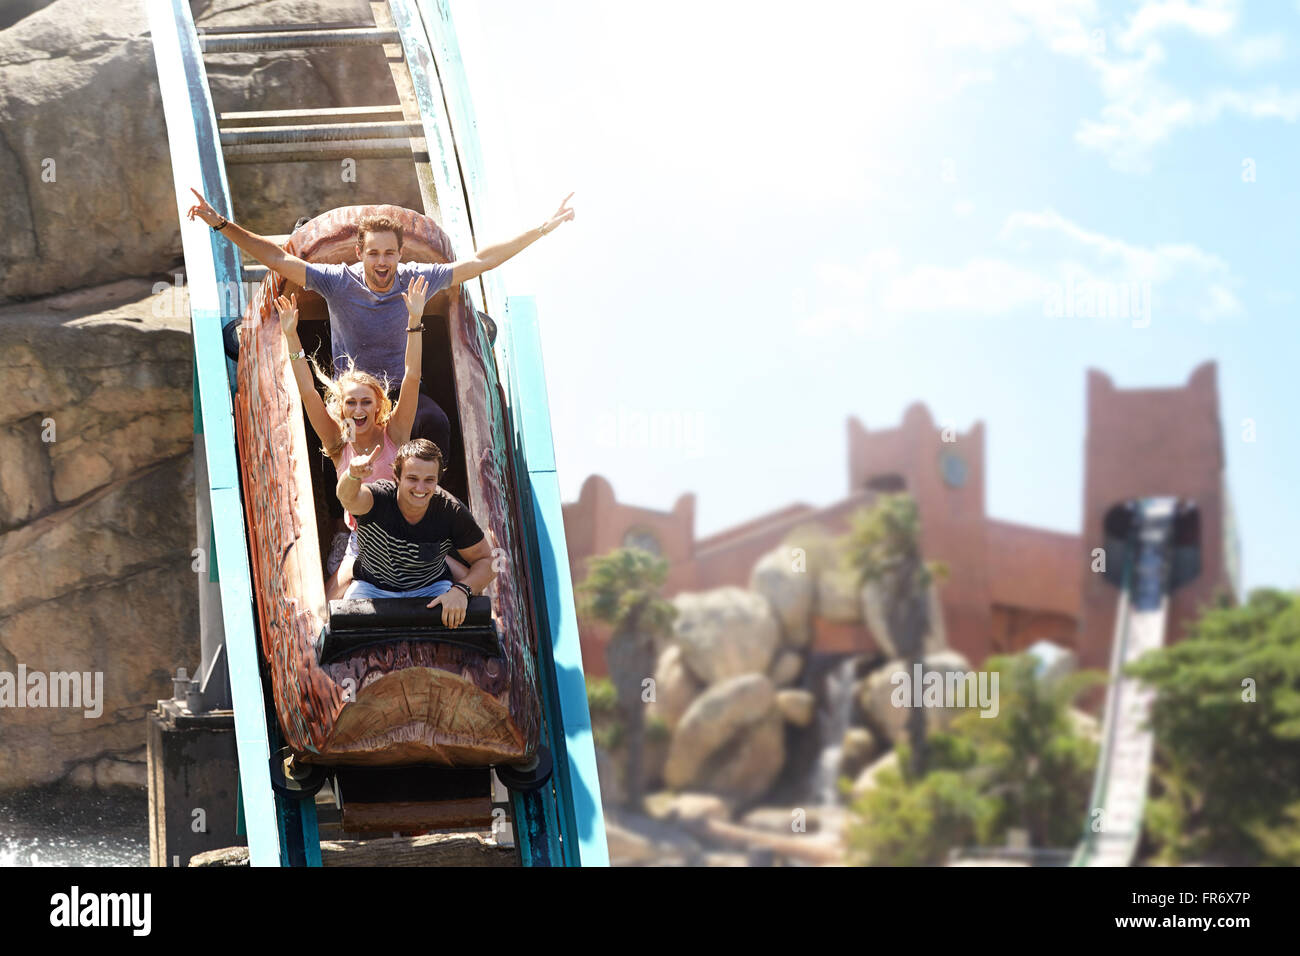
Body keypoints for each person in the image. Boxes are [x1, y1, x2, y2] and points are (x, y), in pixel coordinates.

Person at [184, 188, 576, 460]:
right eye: (374, 253)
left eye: (390, 253)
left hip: (398, 393)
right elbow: (278, 259)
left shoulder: (415, 277)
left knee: (435, 421)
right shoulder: (338, 282)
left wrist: (542, 229)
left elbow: (479, 263)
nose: (382, 262)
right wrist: (219, 223)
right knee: (322, 435)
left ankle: (427, 500)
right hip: (349, 395)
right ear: (360, 253)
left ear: (400, 253)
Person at [274, 275, 463, 598]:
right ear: (342, 408)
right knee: (330, 597)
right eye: (351, 402)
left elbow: (412, 377)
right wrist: (291, 336)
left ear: (377, 407)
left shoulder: (395, 432)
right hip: (366, 538)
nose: (358, 409)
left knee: (464, 573)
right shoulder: (337, 442)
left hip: (409, 532)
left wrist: (414, 320)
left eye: (366, 402)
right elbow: (308, 392)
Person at [336, 438, 496, 628]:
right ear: (396, 476)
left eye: (429, 480)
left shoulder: (450, 510)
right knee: (344, 629)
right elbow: (347, 497)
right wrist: (352, 475)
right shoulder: (378, 498)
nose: (420, 488)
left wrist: (461, 590)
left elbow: (488, 562)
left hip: (431, 587)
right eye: (412, 479)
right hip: (373, 587)